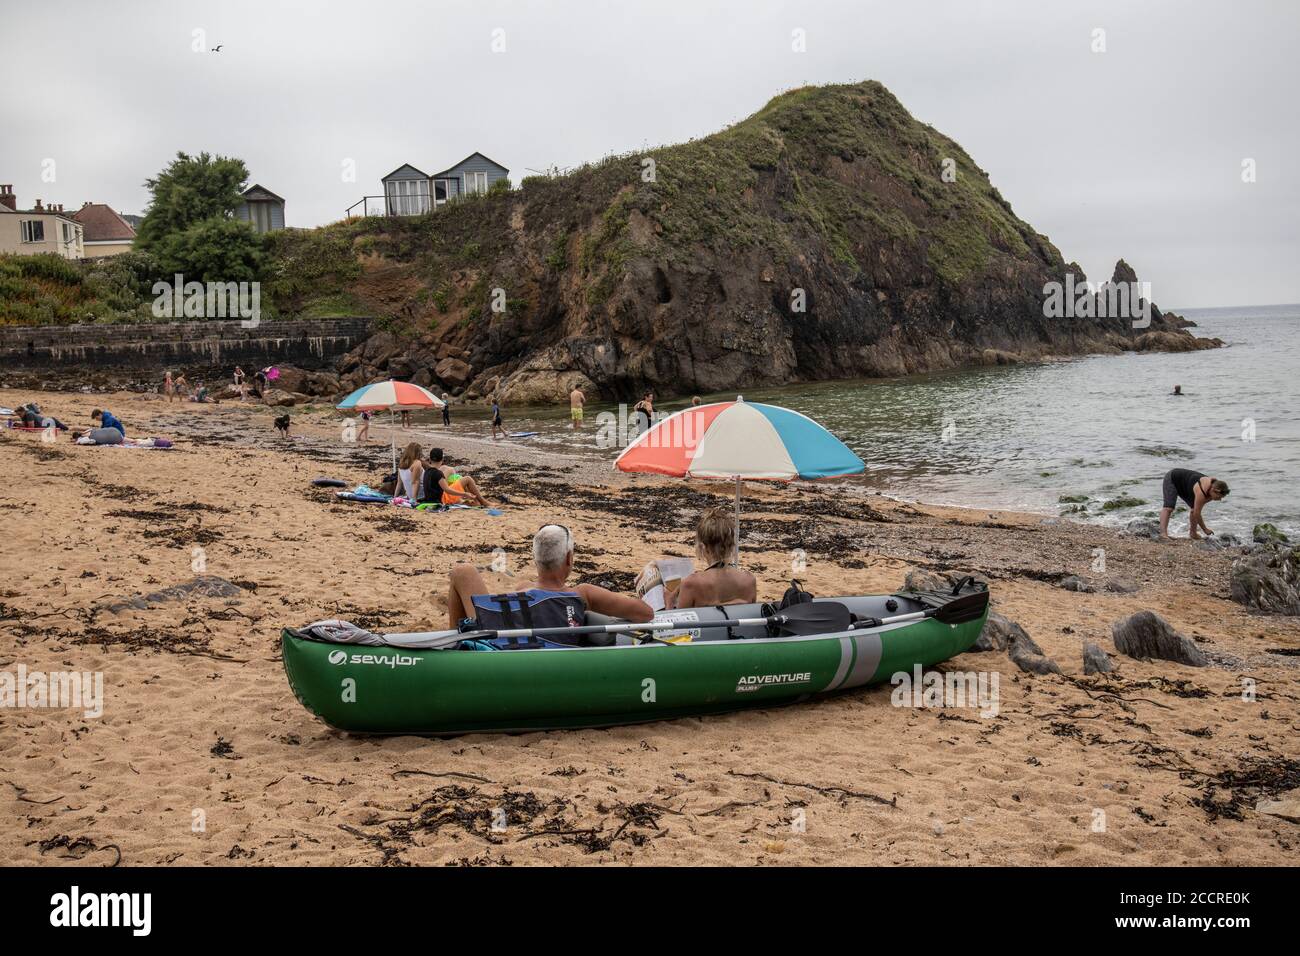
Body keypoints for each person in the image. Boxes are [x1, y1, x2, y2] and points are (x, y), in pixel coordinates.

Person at [446, 525, 653, 633]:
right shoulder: (582, 594)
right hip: (509, 646)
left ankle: (453, 639)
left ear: (535, 560)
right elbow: (645, 613)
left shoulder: (522, 589)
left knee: (463, 571)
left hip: (492, 633)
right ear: (569, 559)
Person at [666, 506, 757, 609]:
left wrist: (669, 601)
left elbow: (680, 623)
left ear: (704, 547)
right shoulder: (749, 580)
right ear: (731, 545)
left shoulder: (691, 583)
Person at [1160, 468, 1229, 540]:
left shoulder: (1215, 488)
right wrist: (1205, 529)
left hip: (1187, 486)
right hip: (1173, 478)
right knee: (1169, 507)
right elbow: (1197, 513)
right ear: (1215, 491)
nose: (1220, 499)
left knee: (1193, 510)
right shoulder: (1202, 492)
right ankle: (1163, 533)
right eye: (1219, 497)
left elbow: (1194, 511)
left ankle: (1193, 533)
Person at [423, 448, 492, 507]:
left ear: (430, 459)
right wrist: (464, 494)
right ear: (442, 459)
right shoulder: (438, 473)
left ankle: (475, 501)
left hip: (431, 499)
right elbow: (447, 490)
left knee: (457, 480)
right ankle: (484, 502)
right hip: (441, 499)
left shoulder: (427, 471)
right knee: (467, 479)